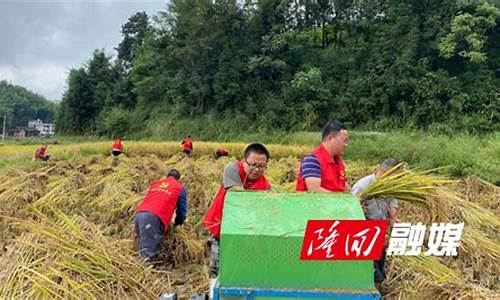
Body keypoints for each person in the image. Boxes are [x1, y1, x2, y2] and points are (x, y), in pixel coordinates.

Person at [202, 143, 271, 293]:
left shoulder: (265, 185)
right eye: (253, 165)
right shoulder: (232, 169)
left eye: (262, 166)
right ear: (244, 161)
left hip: (245, 235)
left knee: (240, 271)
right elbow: (239, 196)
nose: (257, 170)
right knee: (217, 269)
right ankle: (214, 293)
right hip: (222, 228)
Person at [351, 158, 403, 285]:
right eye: (396, 176)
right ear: (385, 172)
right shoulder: (363, 186)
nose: (397, 180)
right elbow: (351, 212)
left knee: (379, 267)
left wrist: (393, 219)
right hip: (364, 235)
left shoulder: (390, 186)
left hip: (381, 233)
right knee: (372, 274)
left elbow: (392, 203)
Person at [135, 169, 187, 261]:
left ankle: (142, 270)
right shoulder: (180, 188)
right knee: (147, 255)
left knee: (143, 248)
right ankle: (146, 273)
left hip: (139, 215)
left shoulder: (156, 184)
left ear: (167, 176)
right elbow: (181, 210)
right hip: (153, 218)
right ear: (178, 179)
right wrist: (178, 223)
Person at [296, 120, 348, 192]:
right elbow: (314, 191)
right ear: (330, 138)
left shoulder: (339, 162)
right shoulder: (312, 160)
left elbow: (344, 187)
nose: (346, 145)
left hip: (336, 202)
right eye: (344, 140)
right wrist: (341, 200)